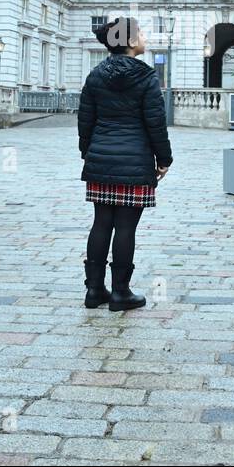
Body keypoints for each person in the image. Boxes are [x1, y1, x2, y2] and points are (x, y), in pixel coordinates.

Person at [77, 17, 173, 311]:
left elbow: (85, 122)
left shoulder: (95, 75)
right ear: (131, 42)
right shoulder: (146, 77)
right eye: (141, 33)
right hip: (134, 162)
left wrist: (88, 154)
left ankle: (94, 291)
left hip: (101, 159)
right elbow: (155, 123)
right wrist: (164, 159)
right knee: (126, 228)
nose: (145, 37)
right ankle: (120, 293)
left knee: (101, 223)